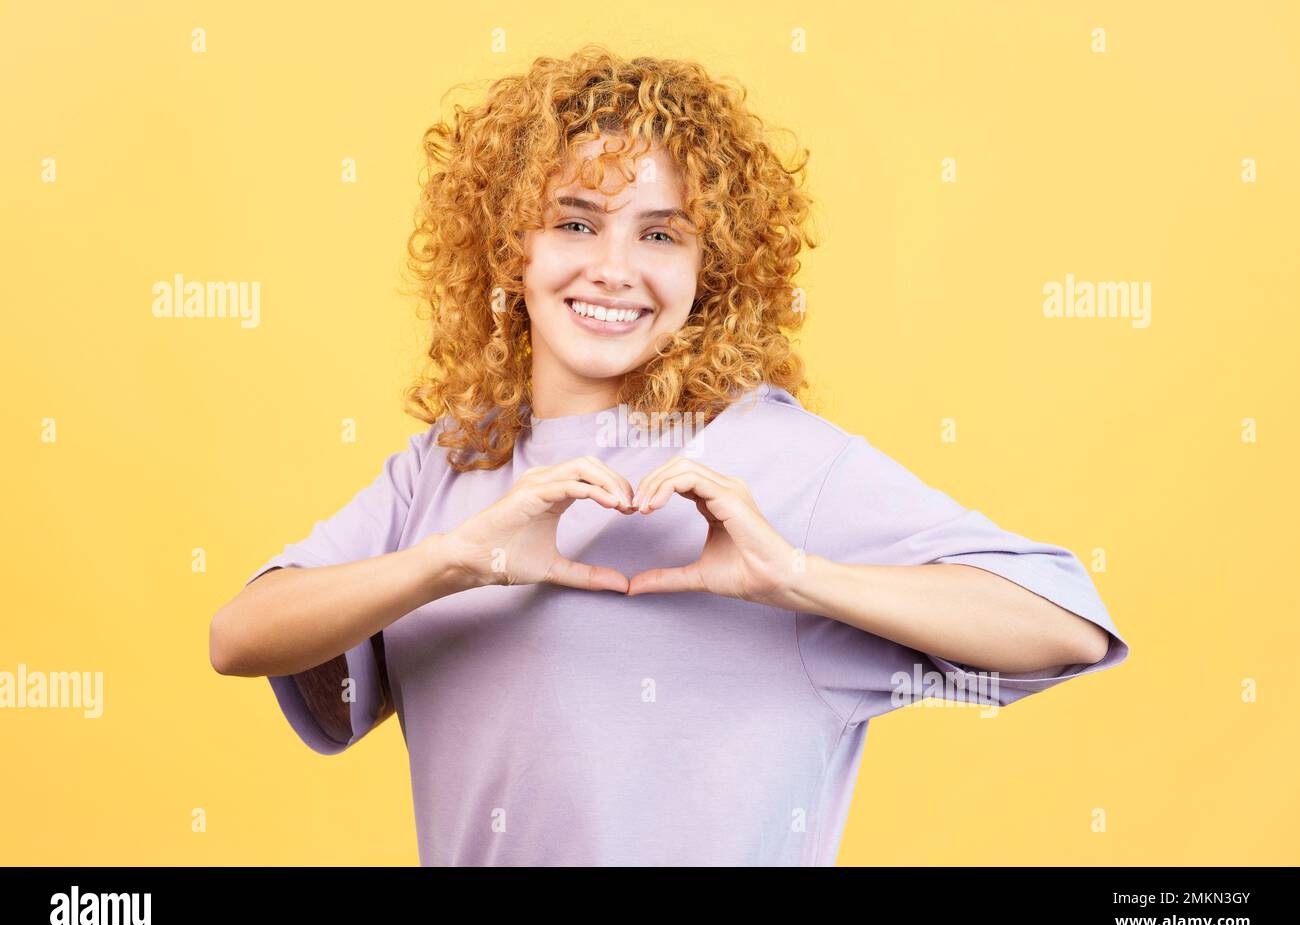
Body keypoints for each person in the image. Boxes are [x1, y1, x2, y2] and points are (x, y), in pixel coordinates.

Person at [209, 45, 1129, 866]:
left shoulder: (782, 461)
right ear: (508, 250)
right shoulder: (450, 467)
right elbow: (240, 636)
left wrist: (797, 577)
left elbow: (1067, 629)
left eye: (659, 234)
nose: (612, 267)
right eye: (574, 222)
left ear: (708, 270)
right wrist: (453, 561)